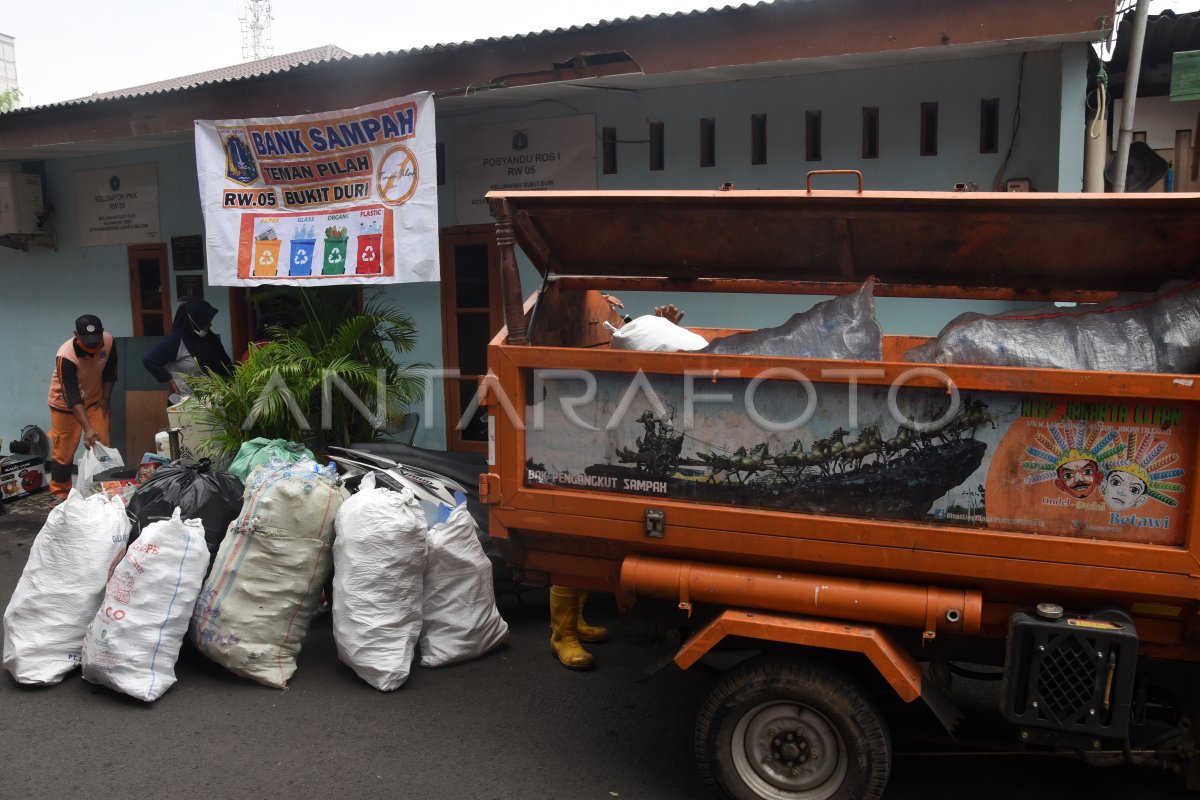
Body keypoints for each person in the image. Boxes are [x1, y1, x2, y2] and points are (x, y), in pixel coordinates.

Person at [47, 314, 116, 500]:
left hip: (94, 402)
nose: (94, 347)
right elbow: (72, 396)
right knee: (63, 454)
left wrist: (106, 399)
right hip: (65, 406)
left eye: (96, 341)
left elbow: (110, 372)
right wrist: (87, 429)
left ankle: (104, 494)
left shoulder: (108, 341)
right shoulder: (65, 356)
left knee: (102, 447)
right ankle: (59, 497)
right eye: (89, 342)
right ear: (76, 334)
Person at [143, 299, 234, 397]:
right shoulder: (176, 341)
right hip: (185, 401)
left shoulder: (210, 338)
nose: (210, 325)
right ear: (196, 320)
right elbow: (149, 360)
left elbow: (225, 363)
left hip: (214, 398)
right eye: (206, 322)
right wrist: (168, 379)